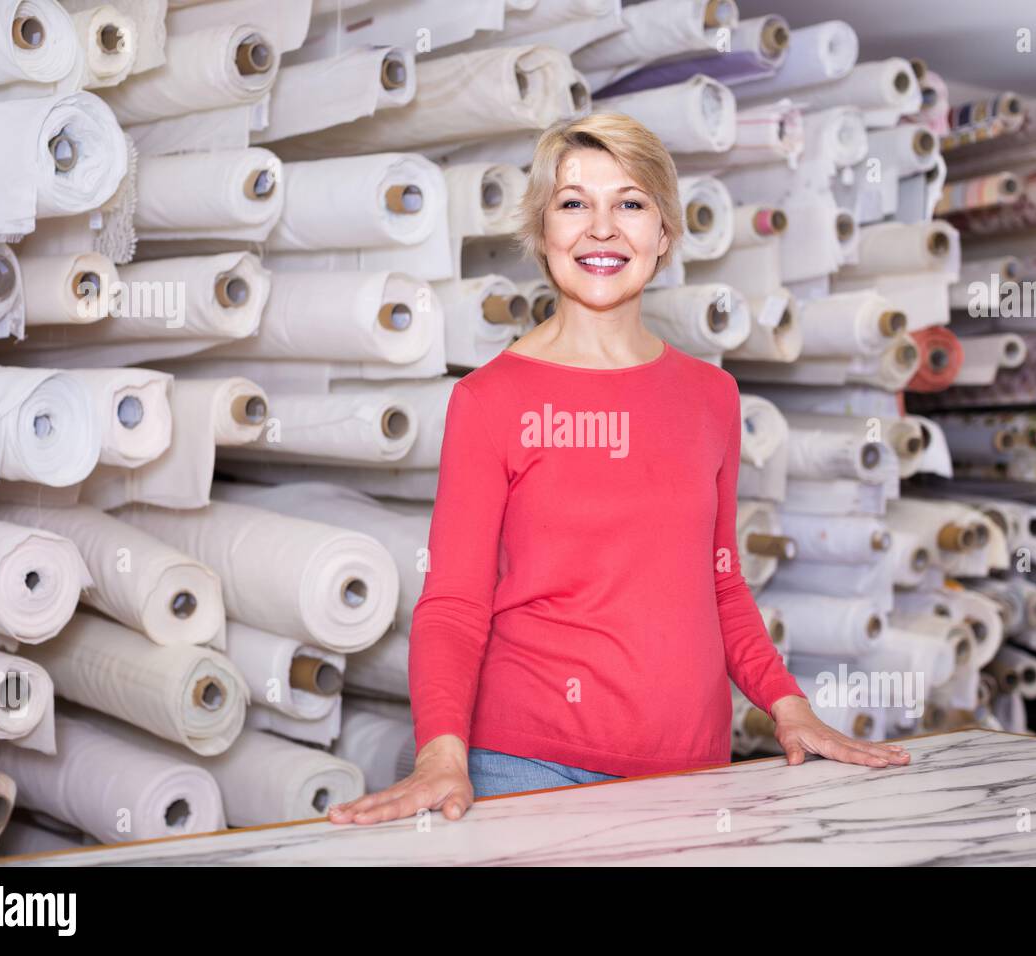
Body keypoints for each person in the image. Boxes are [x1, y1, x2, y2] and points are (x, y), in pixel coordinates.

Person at [328, 112, 910, 827]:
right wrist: (441, 752)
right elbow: (454, 602)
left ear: (663, 234)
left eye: (630, 204)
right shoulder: (489, 401)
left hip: (694, 767)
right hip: (526, 764)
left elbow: (721, 580)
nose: (601, 229)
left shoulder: (712, 397)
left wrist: (789, 707)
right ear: (543, 233)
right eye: (574, 204)